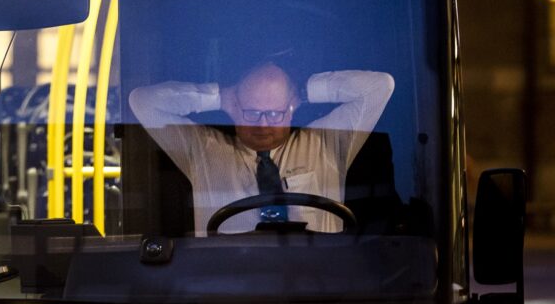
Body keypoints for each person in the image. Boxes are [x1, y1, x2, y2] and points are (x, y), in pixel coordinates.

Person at [128, 63, 394, 234]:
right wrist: (220, 97)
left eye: (275, 114)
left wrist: (304, 92)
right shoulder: (202, 150)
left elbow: (380, 86)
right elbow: (143, 102)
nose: (263, 125)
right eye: (252, 113)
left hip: (315, 291)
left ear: (292, 109)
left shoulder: (326, 143)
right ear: (235, 108)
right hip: (229, 298)